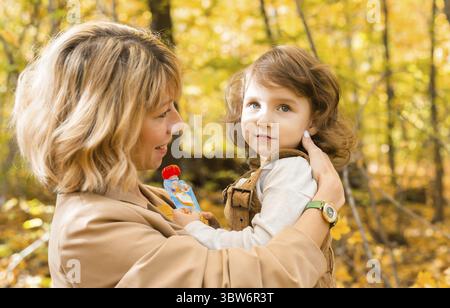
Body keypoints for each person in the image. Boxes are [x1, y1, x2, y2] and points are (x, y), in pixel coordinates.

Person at [12, 21, 346, 287]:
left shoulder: (139, 197)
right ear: (109, 126)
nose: (179, 125)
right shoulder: (91, 230)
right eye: (161, 114)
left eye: (175, 107)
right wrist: (325, 204)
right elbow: (250, 287)